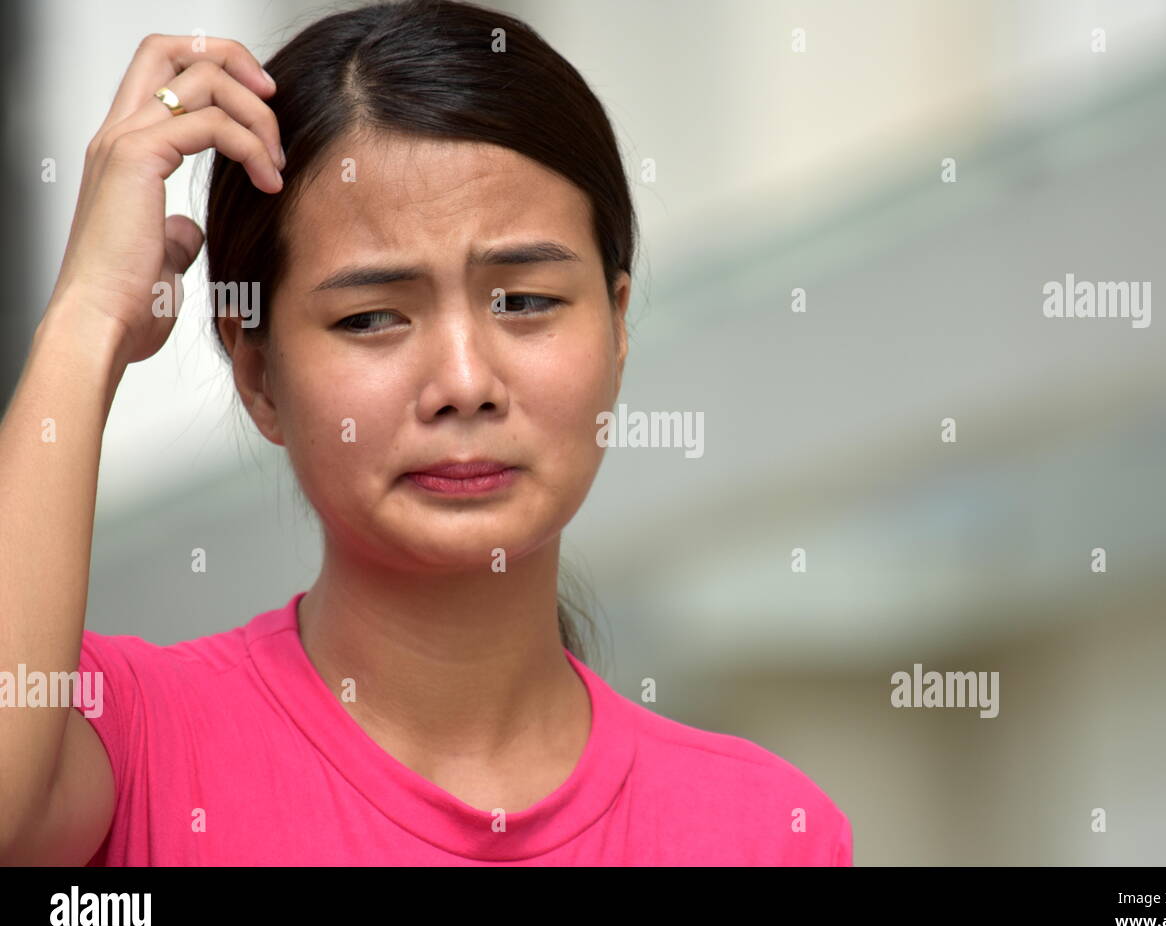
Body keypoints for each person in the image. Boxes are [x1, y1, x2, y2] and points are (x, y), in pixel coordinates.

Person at [0, 0, 852, 865]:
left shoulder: (764, 829)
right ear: (257, 373)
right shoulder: (132, 745)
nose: (465, 384)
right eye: (372, 317)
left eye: (524, 302)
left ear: (618, 325)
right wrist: (86, 319)